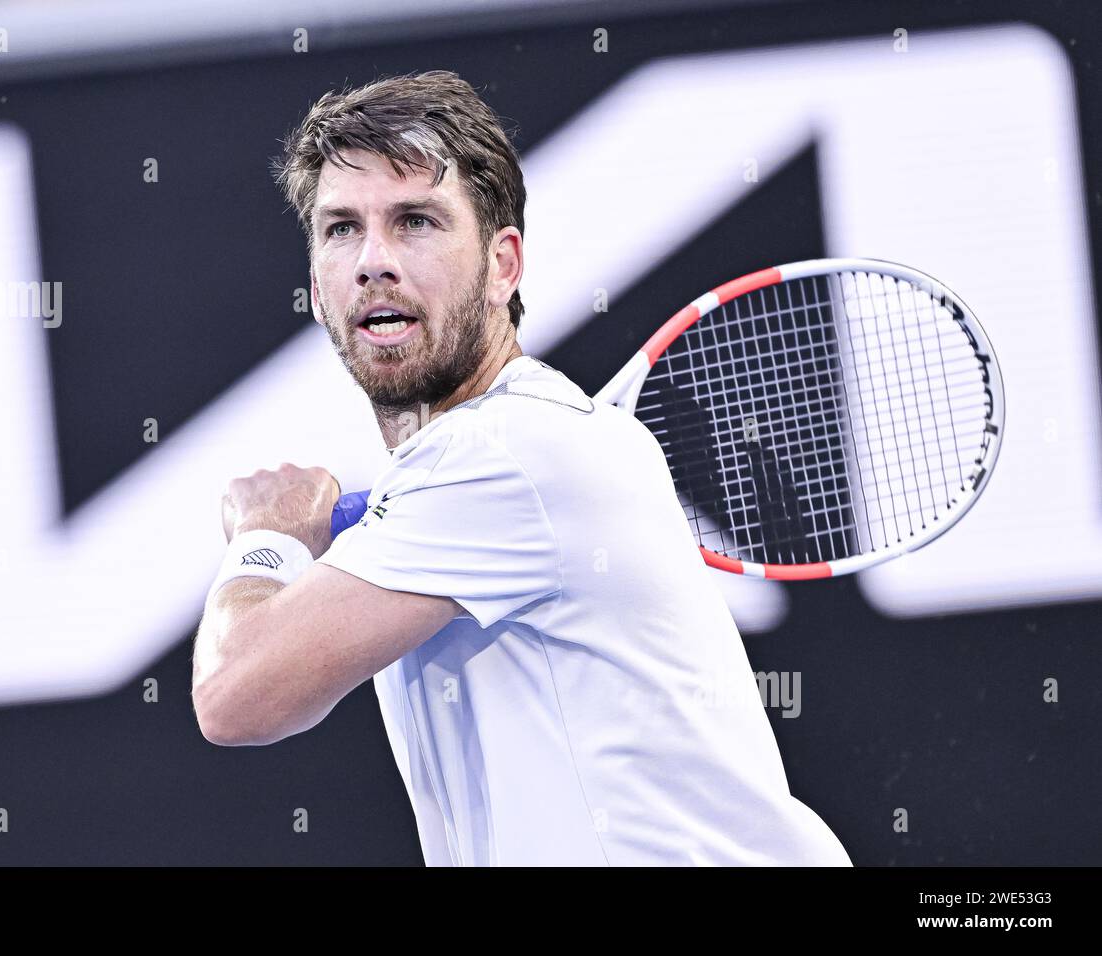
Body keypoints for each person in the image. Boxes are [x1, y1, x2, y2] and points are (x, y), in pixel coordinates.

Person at [191, 70, 852, 867]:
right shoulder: (483, 460)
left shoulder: (503, 452)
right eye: (340, 230)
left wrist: (263, 540)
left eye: (416, 221)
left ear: (504, 265)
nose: (372, 260)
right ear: (316, 286)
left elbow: (236, 695)